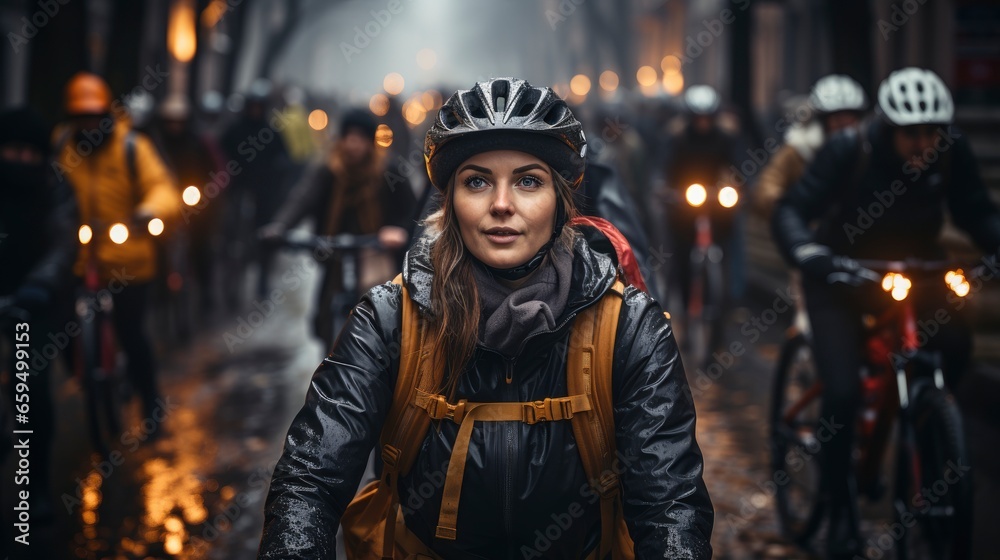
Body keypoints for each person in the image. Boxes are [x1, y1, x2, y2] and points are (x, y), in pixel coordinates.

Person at [258, 77, 713, 559]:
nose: (501, 204)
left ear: (562, 202)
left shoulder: (630, 327)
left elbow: (670, 502)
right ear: (449, 202)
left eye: (528, 181)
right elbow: (309, 478)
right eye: (477, 181)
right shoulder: (388, 319)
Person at [771, 67, 1000, 559]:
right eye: (911, 135)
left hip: (919, 272)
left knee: (956, 343)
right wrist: (809, 253)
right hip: (841, 277)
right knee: (843, 392)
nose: (923, 144)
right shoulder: (849, 148)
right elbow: (790, 208)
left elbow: (975, 210)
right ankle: (836, 511)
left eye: (931, 134)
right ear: (888, 129)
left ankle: (931, 421)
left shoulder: (950, 151)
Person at [53, 71, 181, 421]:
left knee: (132, 334)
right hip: (77, 260)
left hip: (129, 260)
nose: (88, 124)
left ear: (106, 114)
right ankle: (92, 379)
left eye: (94, 116)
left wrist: (148, 211)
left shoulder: (132, 147)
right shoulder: (61, 147)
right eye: (81, 117)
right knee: (64, 330)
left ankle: (151, 406)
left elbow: (163, 188)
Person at [259, 108, 417, 347]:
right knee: (326, 320)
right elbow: (302, 199)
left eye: (360, 138)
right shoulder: (328, 172)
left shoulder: (388, 173)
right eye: (348, 137)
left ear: (370, 142)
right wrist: (280, 226)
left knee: (387, 322)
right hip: (335, 257)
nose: (352, 144)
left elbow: (414, 215)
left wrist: (398, 231)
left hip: (377, 258)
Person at [0, 107, 78, 527]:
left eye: (30, 153)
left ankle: (36, 488)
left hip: (38, 304)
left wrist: (41, 285)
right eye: (12, 150)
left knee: (29, 392)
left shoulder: (56, 187)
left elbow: (64, 243)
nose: (21, 161)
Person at [664, 85, 740, 308]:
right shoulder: (677, 139)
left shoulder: (725, 139)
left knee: (728, 243)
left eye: (707, 118)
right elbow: (666, 169)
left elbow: (737, 167)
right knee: (682, 253)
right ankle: (685, 305)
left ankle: (727, 299)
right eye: (698, 118)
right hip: (684, 203)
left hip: (717, 203)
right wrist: (668, 191)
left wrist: (738, 187)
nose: (703, 123)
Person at [755, 75, 868, 218]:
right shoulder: (800, 149)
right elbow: (769, 183)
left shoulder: (867, 152)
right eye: (838, 119)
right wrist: (788, 208)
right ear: (822, 121)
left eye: (850, 118)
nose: (844, 127)